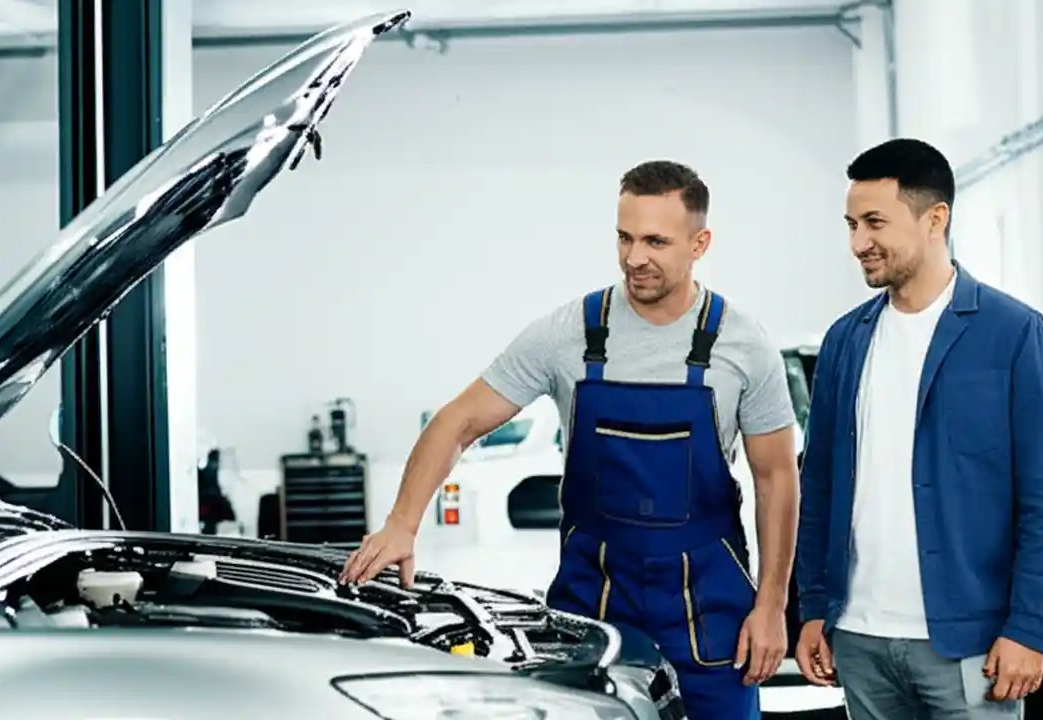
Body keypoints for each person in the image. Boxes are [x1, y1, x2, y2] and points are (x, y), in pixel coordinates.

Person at [339, 160, 801, 720]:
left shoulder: (742, 343)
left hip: (708, 609)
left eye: (655, 241)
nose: (634, 258)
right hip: (595, 603)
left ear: (699, 243)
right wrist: (402, 522)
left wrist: (772, 604)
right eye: (625, 238)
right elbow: (458, 421)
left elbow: (776, 477)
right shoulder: (570, 334)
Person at [792, 138, 1043, 719]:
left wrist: (1030, 627)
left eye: (875, 222)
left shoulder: (1015, 334)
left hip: (970, 643)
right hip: (859, 638)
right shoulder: (845, 340)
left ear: (935, 219)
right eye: (851, 225)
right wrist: (813, 607)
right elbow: (818, 485)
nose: (858, 243)